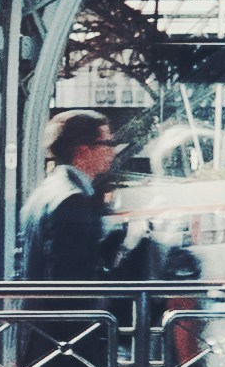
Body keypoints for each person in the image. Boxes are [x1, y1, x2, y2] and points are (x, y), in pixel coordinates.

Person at [18, 111, 140, 284]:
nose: (112, 152)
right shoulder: (71, 201)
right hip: (65, 310)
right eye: (108, 143)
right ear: (83, 151)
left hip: (38, 308)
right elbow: (72, 279)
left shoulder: (44, 192)